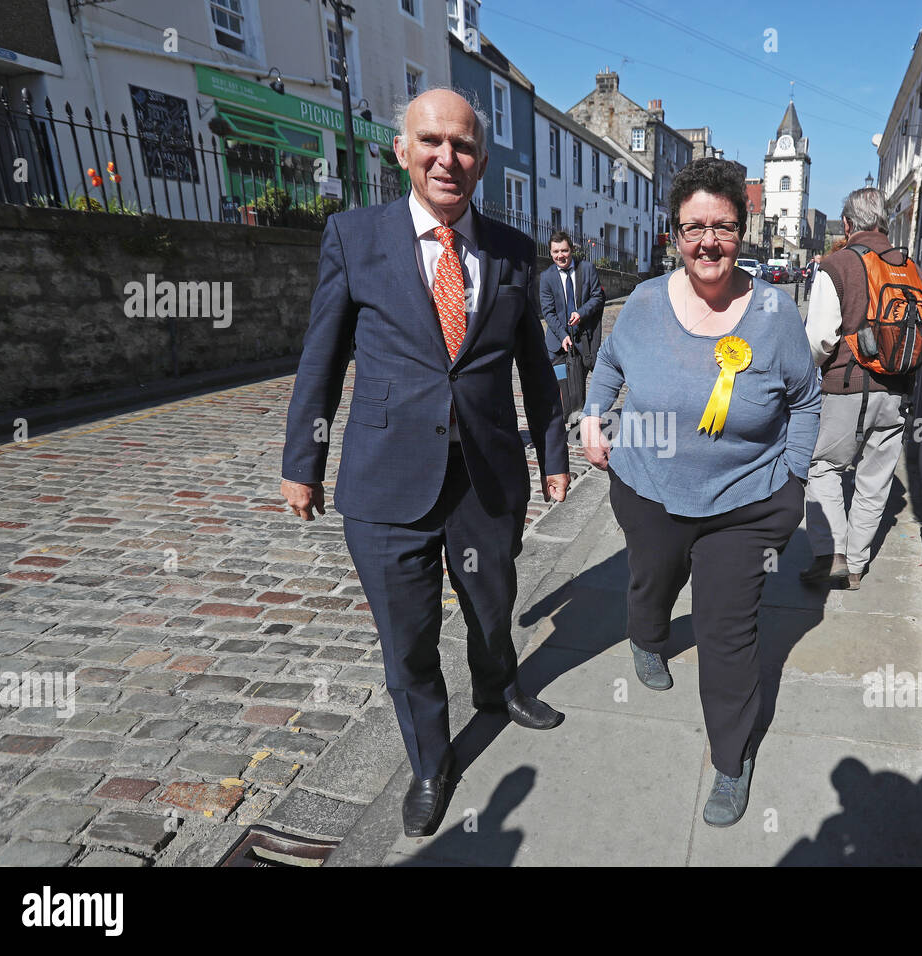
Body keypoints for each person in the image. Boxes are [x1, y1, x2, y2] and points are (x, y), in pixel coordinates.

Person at [279, 89, 571, 839]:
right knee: (406, 639)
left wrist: (553, 452)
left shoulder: (510, 250)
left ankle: (496, 685)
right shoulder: (354, 236)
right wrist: (302, 459)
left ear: (481, 158)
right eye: (432, 141)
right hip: (384, 480)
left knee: (491, 605)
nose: (449, 157)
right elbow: (322, 358)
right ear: (401, 149)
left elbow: (533, 362)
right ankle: (431, 761)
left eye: (464, 145)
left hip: (486, 475)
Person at [580, 157, 821, 828]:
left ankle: (731, 758)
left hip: (744, 505)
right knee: (650, 583)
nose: (708, 242)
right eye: (694, 228)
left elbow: (804, 401)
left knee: (727, 632)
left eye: (722, 227)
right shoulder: (650, 301)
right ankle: (645, 635)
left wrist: (795, 477)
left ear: (742, 231)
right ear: (675, 234)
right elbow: (608, 365)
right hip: (649, 488)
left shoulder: (774, 314)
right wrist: (594, 417)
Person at [800, 187, 917, 590]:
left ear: (847, 224)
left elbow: (819, 340)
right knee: (875, 479)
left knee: (823, 466)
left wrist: (812, 374)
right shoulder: (908, 267)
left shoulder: (838, 265)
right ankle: (855, 566)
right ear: (884, 221)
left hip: (847, 388)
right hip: (897, 391)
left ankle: (832, 553)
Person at [541, 231, 605, 426]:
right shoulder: (546, 277)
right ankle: (561, 421)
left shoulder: (587, 269)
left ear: (571, 250)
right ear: (550, 253)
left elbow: (598, 297)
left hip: (583, 340)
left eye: (564, 250)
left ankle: (579, 425)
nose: (560, 255)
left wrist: (581, 313)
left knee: (578, 385)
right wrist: (562, 335)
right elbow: (548, 311)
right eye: (555, 251)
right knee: (561, 383)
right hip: (558, 345)